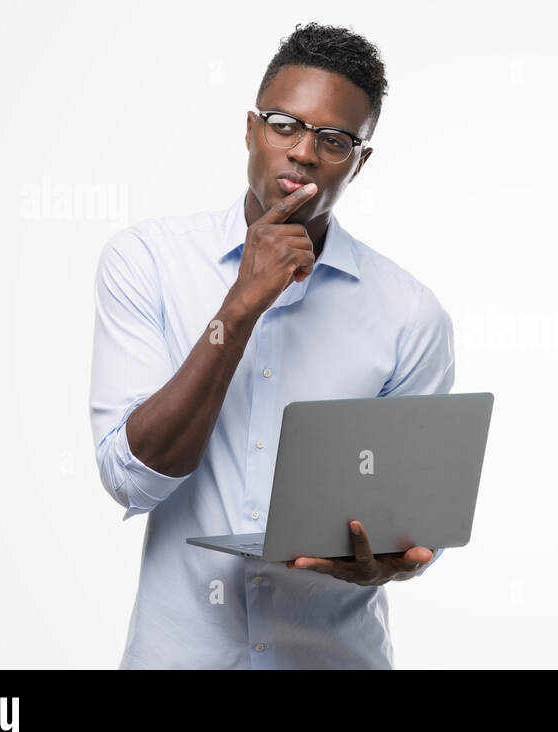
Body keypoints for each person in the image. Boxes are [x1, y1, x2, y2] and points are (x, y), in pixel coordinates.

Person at [88, 22, 454, 668]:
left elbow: (416, 520)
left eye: (335, 140)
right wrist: (242, 303)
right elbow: (131, 478)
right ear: (252, 129)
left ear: (359, 161)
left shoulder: (408, 312)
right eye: (285, 124)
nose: (304, 153)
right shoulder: (147, 262)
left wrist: (391, 563)